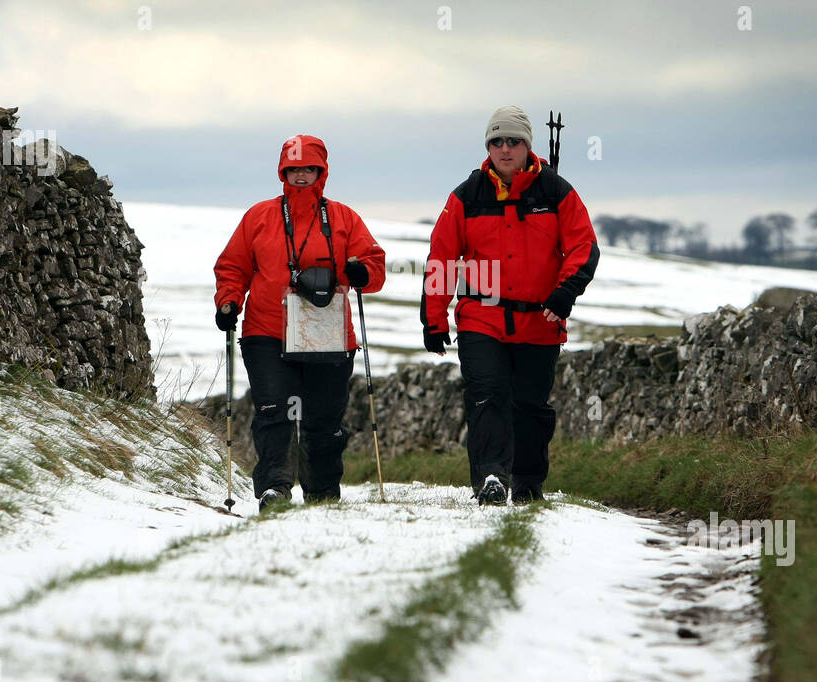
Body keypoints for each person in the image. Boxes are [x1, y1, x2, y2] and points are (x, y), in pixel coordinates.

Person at [420, 105, 599, 505]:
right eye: (496, 141)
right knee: (487, 396)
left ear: (527, 146)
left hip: (541, 319)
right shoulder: (466, 196)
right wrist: (434, 319)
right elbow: (442, 258)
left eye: (513, 141)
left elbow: (583, 246)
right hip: (481, 319)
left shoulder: (556, 191)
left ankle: (528, 483)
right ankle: (491, 478)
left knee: (531, 407)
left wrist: (566, 291)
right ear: (488, 147)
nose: (504, 149)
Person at [214, 135, 386, 511]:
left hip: (328, 335)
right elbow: (233, 266)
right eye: (294, 168)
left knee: (323, 418)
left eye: (310, 168)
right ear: (283, 172)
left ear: (322, 172)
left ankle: (322, 491)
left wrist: (361, 272)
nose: (302, 175)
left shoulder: (343, 218)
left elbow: (374, 265)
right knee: (274, 410)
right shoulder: (259, 217)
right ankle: (275, 486)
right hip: (267, 331)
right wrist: (229, 301)